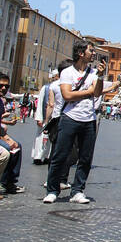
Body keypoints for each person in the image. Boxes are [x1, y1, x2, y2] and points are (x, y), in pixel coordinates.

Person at [43, 40, 106, 204]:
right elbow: (67, 95)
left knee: (85, 158)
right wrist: (88, 92)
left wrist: (100, 77)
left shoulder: (93, 73)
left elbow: (97, 93)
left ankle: (78, 191)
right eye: (91, 51)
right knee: (60, 155)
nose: (93, 53)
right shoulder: (67, 72)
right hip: (70, 117)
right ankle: (52, 190)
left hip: (89, 119)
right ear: (80, 53)